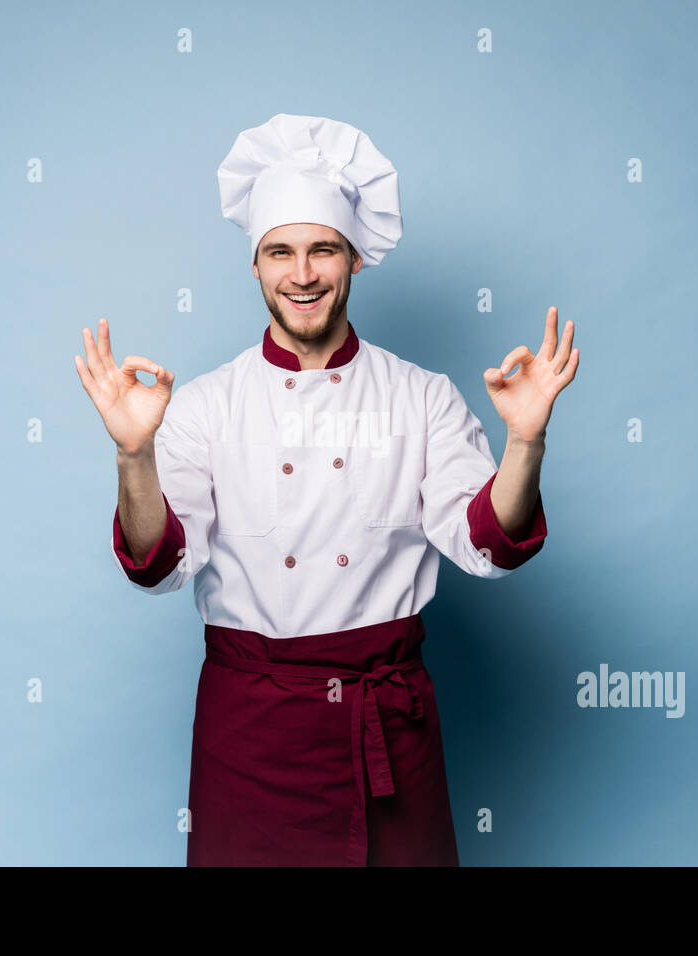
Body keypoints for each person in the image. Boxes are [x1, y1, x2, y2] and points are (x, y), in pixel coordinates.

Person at [73, 114, 579, 866]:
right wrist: (132, 454)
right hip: (251, 732)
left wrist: (526, 441)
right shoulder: (209, 405)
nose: (302, 273)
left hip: (387, 728)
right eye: (280, 251)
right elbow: (157, 563)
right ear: (254, 264)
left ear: (355, 260)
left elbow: (488, 545)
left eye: (323, 250)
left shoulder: (422, 397)